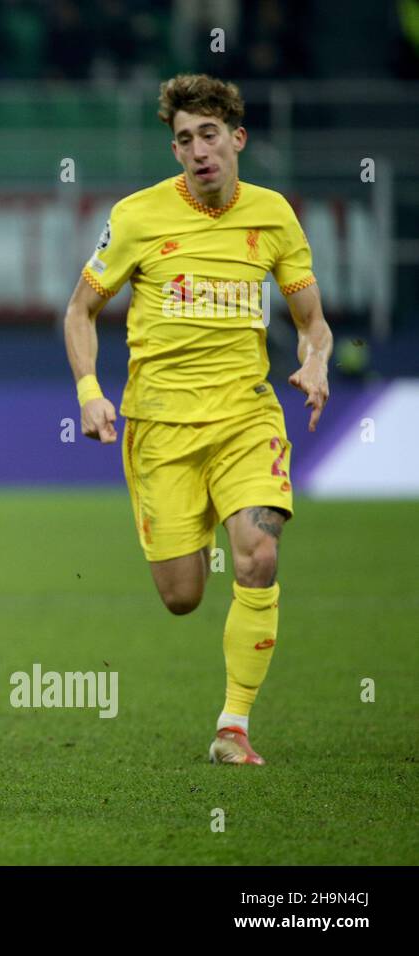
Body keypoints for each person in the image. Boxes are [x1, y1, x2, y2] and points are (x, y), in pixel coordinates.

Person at [62, 74, 333, 765]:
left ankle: (232, 726)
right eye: (184, 139)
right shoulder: (136, 218)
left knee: (259, 554)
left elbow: (313, 323)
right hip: (160, 428)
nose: (198, 150)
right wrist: (91, 390)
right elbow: (80, 310)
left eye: (209, 135)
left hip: (246, 418)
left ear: (237, 138)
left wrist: (316, 361)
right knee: (182, 596)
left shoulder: (274, 216)